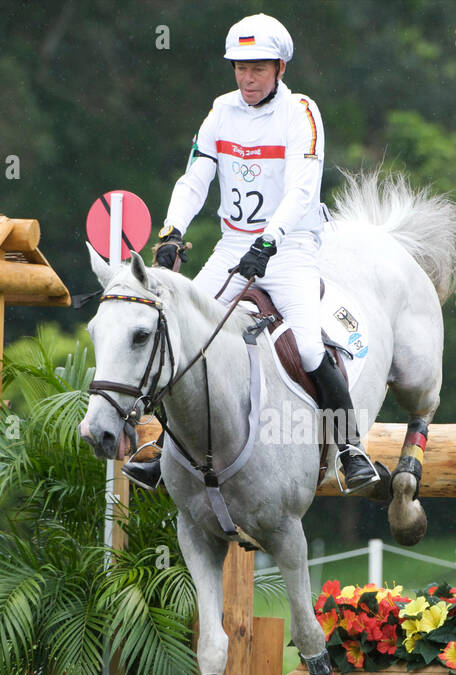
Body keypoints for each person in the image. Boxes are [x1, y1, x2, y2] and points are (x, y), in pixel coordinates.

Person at [122, 12, 379, 495]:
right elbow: (195, 178)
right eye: (239, 68)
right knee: (178, 331)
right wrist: (173, 232)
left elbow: (303, 190)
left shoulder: (301, 112)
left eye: (258, 68)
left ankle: (350, 448)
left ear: (280, 67)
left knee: (305, 344)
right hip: (233, 244)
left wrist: (269, 241)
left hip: (291, 248)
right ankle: (164, 452)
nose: (247, 78)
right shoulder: (221, 111)